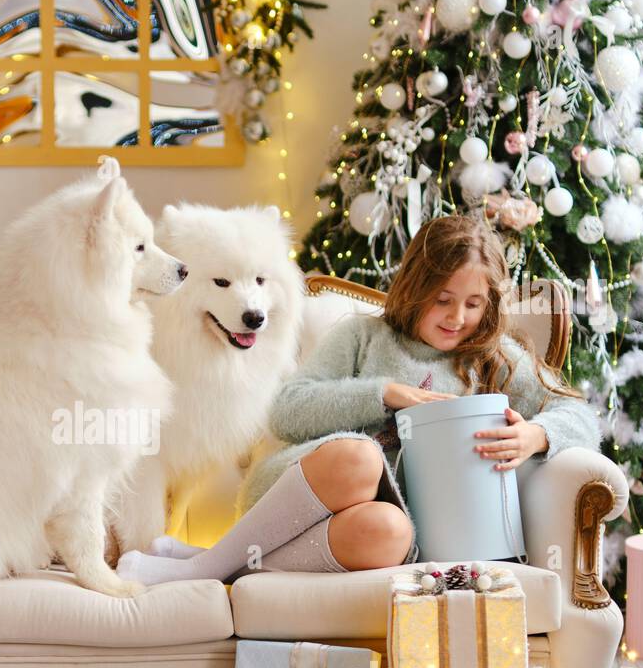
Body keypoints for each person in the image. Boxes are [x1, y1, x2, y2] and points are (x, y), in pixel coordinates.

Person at [116, 215, 600, 586]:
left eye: (473, 304)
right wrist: (383, 394)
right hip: (302, 491)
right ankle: (196, 572)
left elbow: (579, 413)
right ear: (415, 288)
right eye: (442, 299)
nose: (457, 317)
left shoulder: (494, 359)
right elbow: (288, 410)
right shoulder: (364, 338)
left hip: (381, 527)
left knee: (393, 533)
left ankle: (211, 560)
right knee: (361, 455)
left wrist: (537, 434)